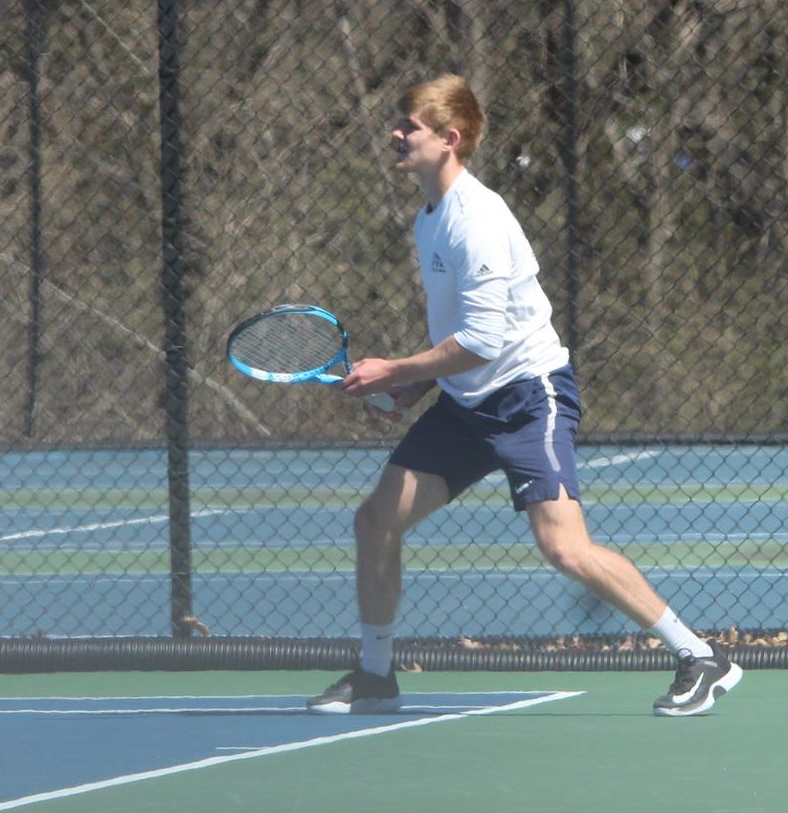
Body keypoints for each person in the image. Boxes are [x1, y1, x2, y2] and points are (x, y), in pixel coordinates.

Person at [306, 74, 741, 717]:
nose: (396, 134)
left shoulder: (475, 220)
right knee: (375, 522)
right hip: (465, 404)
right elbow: (462, 333)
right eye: (399, 123)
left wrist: (396, 370)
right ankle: (376, 675)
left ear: (449, 140)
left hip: (526, 396)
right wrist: (421, 381)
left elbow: (484, 340)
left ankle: (701, 656)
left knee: (565, 547)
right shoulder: (429, 219)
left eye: (410, 126)